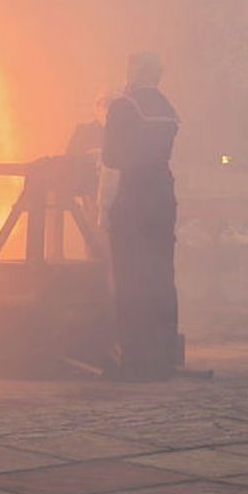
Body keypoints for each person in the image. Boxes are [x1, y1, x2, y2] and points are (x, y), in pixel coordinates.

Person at [102, 52, 181, 381]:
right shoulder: (167, 110)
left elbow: (110, 157)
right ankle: (162, 356)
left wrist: (104, 207)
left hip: (133, 199)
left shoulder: (124, 105)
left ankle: (134, 360)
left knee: (130, 278)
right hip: (162, 196)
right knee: (161, 277)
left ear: (135, 72)